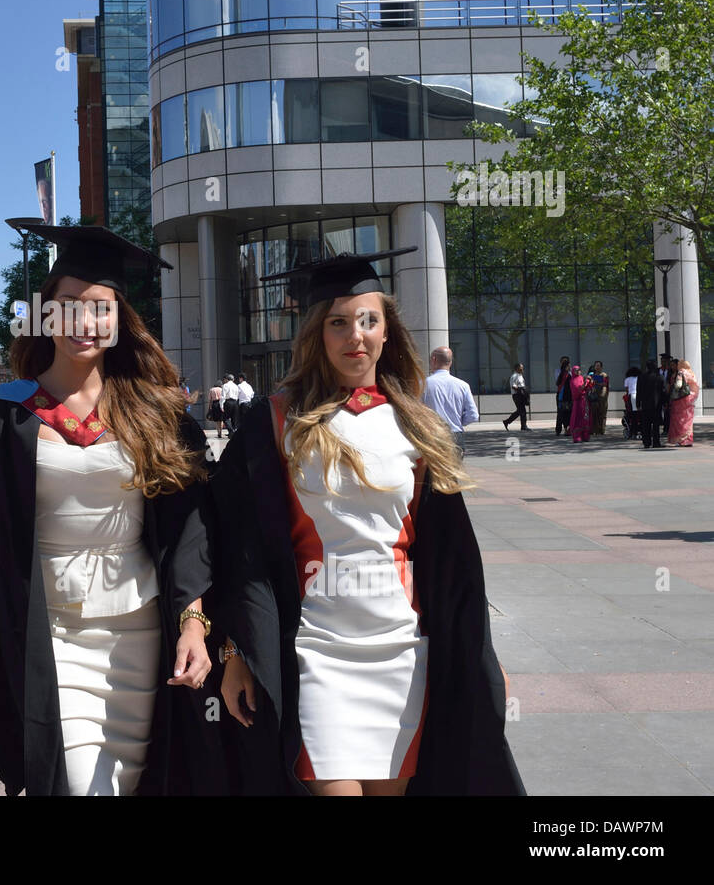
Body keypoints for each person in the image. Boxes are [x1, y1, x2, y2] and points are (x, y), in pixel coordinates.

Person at [210, 248, 522, 796]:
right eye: (338, 323)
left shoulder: (419, 426)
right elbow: (238, 543)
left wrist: (476, 655)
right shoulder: (277, 422)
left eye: (368, 321)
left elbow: (452, 560)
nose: (356, 335)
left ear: (386, 331)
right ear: (316, 334)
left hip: (402, 648)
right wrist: (237, 649)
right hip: (316, 648)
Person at [0, 224, 223, 796]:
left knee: (128, 781)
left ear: (119, 318)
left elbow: (189, 530)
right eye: (68, 307)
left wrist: (194, 622)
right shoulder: (0, 419)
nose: (85, 322)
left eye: (100, 308)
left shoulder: (158, 416)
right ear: (46, 315)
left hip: (138, 629)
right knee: (75, 781)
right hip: (46, 632)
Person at [421, 347, 479, 457]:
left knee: (433, 473)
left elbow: (416, 413)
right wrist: (458, 421)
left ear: (433, 359)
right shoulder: (463, 385)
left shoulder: (423, 384)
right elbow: (473, 415)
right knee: (455, 472)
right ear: (450, 362)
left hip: (433, 435)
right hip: (455, 436)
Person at [667, 358, 699, 447]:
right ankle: (688, 440)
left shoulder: (681, 372)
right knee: (688, 420)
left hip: (681, 399)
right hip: (690, 399)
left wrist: (673, 387)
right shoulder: (691, 373)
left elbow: (678, 385)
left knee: (679, 420)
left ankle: (681, 440)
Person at [636, 361, 664, 448]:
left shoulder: (641, 377)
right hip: (656, 404)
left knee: (645, 424)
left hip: (645, 404)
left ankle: (646, 442)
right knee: (656, 425)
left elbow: (639, 391)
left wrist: (638, 403)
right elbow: (662, 391)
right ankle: (656, 442)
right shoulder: (659, 377)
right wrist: (664, 402)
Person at [502, 362, 529, 431]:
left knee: (520, 411)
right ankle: (524, 426)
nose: (522, 369)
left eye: (522, 368)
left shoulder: (520, 375)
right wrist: (520, 390)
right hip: (517, 395)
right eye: (521, 368)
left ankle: (507, 421)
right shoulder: (514, 376)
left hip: (522, 395)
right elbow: (513, 386)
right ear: (517, 368)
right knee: (522, 411)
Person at [568, 365, 591, 443]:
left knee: (585, 417)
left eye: (579, 370)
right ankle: (577, 436)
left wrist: (590, 381)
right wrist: (585, 383)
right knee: (577, 418)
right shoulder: (573, 380)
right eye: (576, 370)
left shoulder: (582, 378)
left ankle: (585, 435)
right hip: (577, 402)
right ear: (573, 371)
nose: (578, 371)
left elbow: (587, 387)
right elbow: (578, 390)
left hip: (584, 401)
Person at [587, 360, 609, 436]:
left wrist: (603, 395)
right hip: (594, 397)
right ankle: (594, 430)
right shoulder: (592, 375)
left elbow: (605, 385)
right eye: (596, 365)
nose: (597, 367)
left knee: (602, 414)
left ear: (601, 367)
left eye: (598, 365)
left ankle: (601, 430)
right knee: (594, 414)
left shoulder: (604, 375)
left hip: (602, 398)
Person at [554, 356, 572, 436]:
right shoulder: (564, 374)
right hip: (563, 396)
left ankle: (565, 429)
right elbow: (559, 383)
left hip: (565, 395)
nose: (570, 367)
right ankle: (561, 429)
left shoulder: (567, 373)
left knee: (565, 412)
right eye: (569, 365)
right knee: (563, 412)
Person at [622, 366, 640, 439]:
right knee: (638, 413)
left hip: (631, 395)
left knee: (633, 414)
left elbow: (627, 390)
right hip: (639, 395)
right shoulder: (639, 378)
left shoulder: (627, 379)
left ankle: (633, 432)